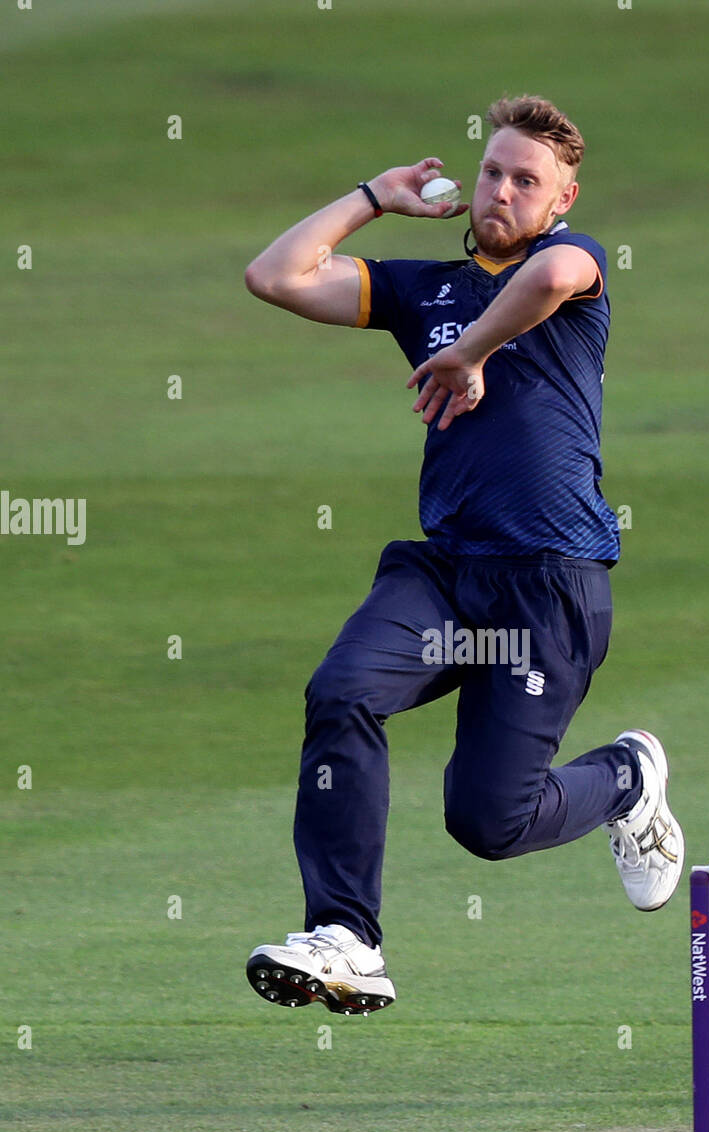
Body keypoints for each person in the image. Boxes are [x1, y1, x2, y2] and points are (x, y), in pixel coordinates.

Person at [242, 94, 683, 1015]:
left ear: (562, 197)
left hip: (549, 587)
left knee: (487, 822)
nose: (503, 190)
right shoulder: (422, 290)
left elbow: (550, 279)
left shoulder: (577, 262)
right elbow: (275, 278)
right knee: (342, 691)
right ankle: (347, 937)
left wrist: (471, 352)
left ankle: (627, 778)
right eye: (493, 171)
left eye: (529, 181)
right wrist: (373, 195)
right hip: (445, 575)